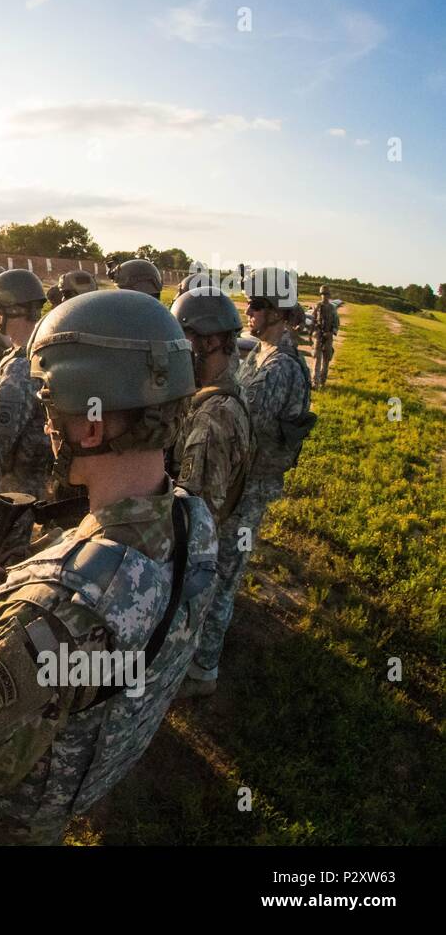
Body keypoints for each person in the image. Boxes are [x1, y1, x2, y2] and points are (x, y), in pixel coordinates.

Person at [0, 289, 218, 844]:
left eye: (50, 409)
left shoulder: (49, 617)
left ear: (91, 429)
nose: (47, 426)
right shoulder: (195, 522)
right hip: (64, 799)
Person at [180, 268, 313, 699]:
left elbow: (245, 429)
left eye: (256, 306)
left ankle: (204, 669)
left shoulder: (280, 367)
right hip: (240, 482)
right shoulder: (263, 353)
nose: (248, 312)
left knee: (223, 575)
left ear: (277, 312)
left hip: (249, 489)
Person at [168, 287, 253, 527]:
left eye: (182, 339)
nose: (177, 349)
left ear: (210, 341)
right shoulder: (228, 389)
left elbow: (195, 517)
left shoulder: (213, 416)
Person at [0, 269, 53, 498]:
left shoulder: (20, 367)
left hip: (16, 489)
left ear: (11, 309)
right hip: (42, 480)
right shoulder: (47, 350)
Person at [312, 286, 339, 388]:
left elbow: (336, 323)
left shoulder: (332, 308)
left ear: (329, 295)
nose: (324, 296)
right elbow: (313, 320)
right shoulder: (317, 306)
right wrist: (313, 333)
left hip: (328, 337)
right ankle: (315, 382)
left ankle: (323, 381)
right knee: (316, 359)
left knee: (326, 360)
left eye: (326, 294)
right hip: (318, 336)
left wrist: (331, 332)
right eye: (322, 294)